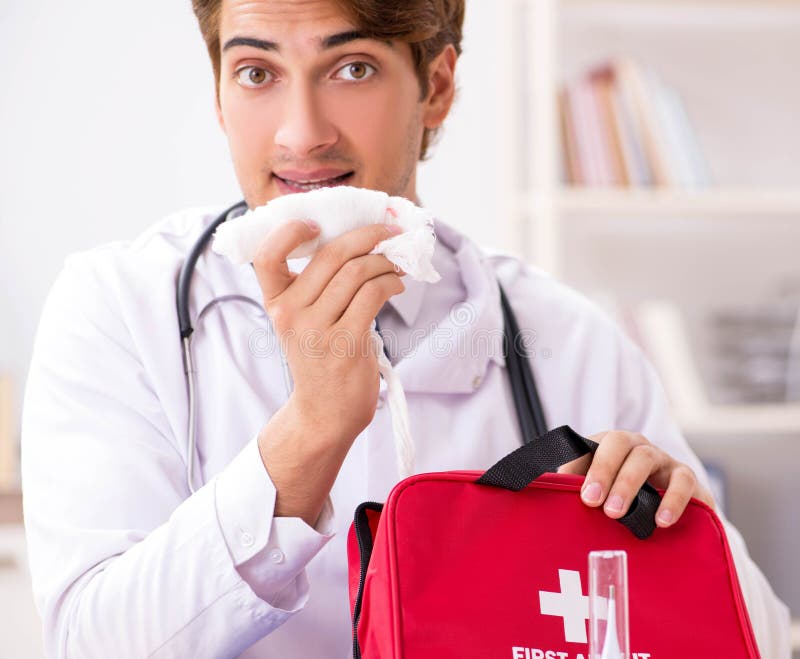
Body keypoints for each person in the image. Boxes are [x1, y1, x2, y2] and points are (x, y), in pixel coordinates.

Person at [21, 0, 790, 657]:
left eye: (351, 67)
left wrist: (670, 538)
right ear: (220, 96)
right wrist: (311, 432)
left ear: (438, 87)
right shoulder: (121, 309)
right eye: (256, 72)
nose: (301, 134)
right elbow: (91, 641)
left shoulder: (567, 338)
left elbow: (758, 635)